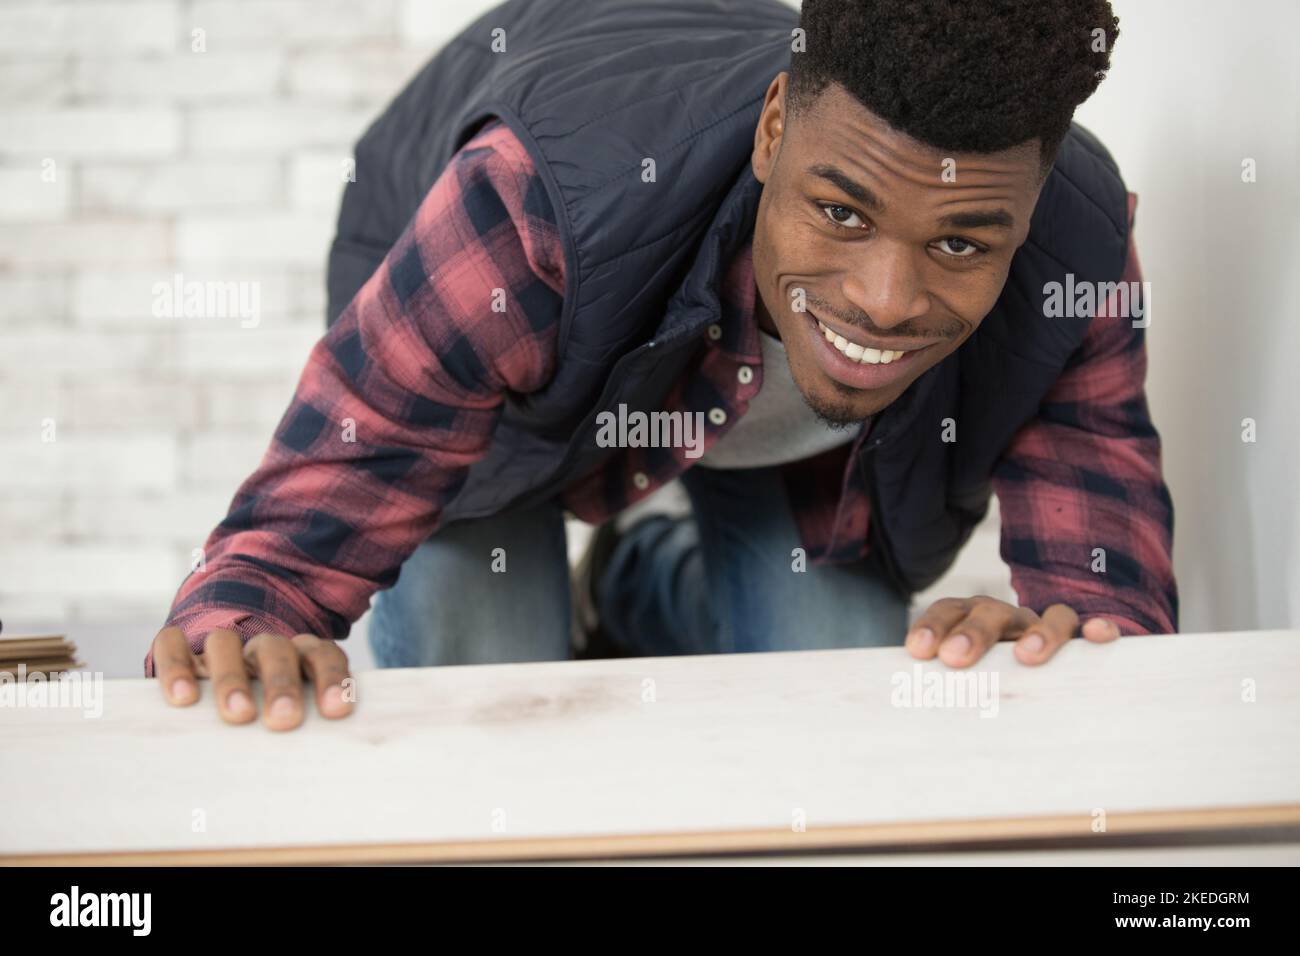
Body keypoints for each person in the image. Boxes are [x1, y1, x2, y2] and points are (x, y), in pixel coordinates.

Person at [147, 0, 1177, 731]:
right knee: (495, 691)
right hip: (514, 390)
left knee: (838, 703)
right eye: (840, 211)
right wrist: (252, 610)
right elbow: (351, 465)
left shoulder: (1071, 237)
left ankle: (636, 581)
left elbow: (1101, 579)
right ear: (776, 129)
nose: (884, 298)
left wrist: (1070, 646)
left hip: (775, 444)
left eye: (958, 244)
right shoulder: (538, 201)